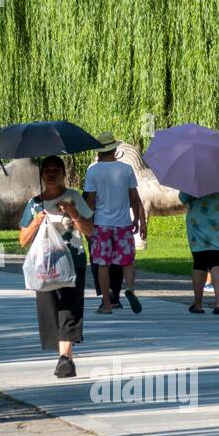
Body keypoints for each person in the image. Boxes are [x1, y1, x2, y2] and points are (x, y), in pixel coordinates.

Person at [19, 155, 94, 379]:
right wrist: (35, 221)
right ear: (41, 175)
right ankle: (62, 353)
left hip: (73, 262)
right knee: (50, 311)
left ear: (64, 173)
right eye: (47, 170)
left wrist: (73, 213)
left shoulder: (73, 197)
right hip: (44, 266)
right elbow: (23, 240)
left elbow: (90, 230)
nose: (51, 173)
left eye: (56, 169)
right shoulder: (34, 204)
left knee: (70, 308)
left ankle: (65, 358)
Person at [83, 133, 146, 315]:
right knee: (127, 261)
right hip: (123, 223)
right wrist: (137, 219)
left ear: (99, 152)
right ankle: (131, 289)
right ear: (115, 149)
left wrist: (86, 221)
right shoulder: (126, 169)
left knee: (103, 264)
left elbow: (91, 201)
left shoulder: (93, 171)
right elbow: (134, 197)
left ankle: (107, 304)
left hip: (102, 224)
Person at [178, 186, 219, 315]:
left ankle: (198, 304)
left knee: (199, 262)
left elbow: (183, 198)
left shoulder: (192, 176)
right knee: (216, 261)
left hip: (197, 222)